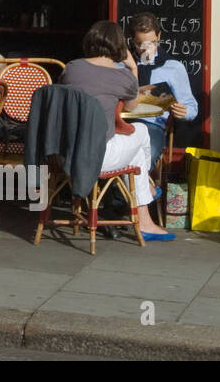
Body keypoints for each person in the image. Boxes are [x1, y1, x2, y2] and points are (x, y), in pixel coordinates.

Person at [58, 21, 171, 239]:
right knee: (141, 131)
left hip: (67, 152)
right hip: (100, 156)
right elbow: (132, 106)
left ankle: (144, 221)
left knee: (134, 147)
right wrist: (133, 69)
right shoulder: (122, 76)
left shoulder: (72, 68)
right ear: (120, 46)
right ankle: (145, 190)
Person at [125, 12, 197, 167]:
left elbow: (192, 108)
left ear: (158, 36)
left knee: (145, 155)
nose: (146, 50)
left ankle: (131, 189)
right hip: (123, 123)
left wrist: (183, 111)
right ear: (132, 41)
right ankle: (137, 188)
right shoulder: (122, 64)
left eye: (151, 43)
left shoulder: (173, 67)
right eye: (140, 44)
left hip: (153, 126)